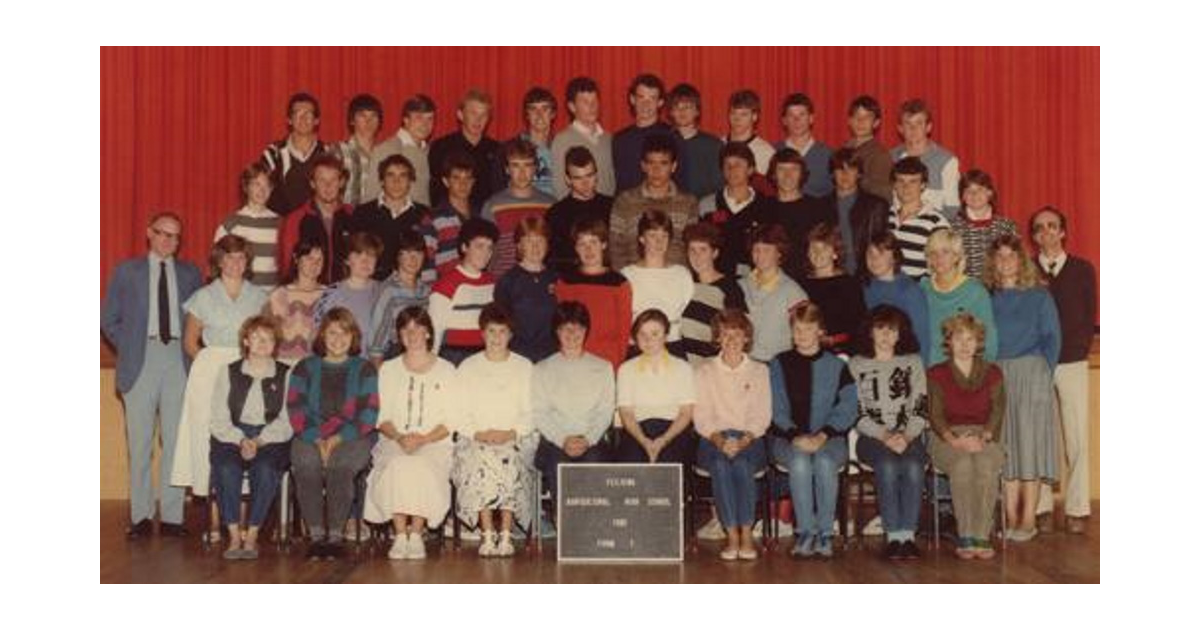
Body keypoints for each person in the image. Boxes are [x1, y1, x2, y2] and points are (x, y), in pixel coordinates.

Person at [101, 212, 203, 539]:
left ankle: (173, 516)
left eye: (175, 236)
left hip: (177, 358)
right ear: (149, 233)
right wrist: (129, 346)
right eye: (162, 234)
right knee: (140, 441)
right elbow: (108, 319)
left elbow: (198, 320)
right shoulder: (127, 271)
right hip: (140, 359)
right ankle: (140, 516)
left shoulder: (190, 274)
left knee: (174, 439)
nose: (168, 241)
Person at [171, 235, 270, 518]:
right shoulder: (202, 297)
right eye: (229, 257)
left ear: (248, 261)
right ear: (219, 261)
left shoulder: (259, 297)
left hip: (248, 369)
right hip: (210, 370)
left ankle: (239, 517)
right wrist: (210, 366)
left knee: (243, 434)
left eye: (241, 257)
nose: (235, 263)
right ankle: (215, 519)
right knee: (208, 436)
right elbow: (190, 342)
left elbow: (267, 336)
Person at [364, 307, 458, 560]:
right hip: (395, 439)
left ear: (428, 332)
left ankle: (416, 533)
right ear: (399, 335)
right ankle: (399, 533)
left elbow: (451, 419)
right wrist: (400, 438)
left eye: (418, 328)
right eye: (406, 329)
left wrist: (423, 439)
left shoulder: (447, 369)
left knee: (420, 464)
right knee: (398, 463)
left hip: (434, 441)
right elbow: (380, 417)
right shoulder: (388, 369)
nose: (412, 334)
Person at [984, 235, 1061, 542]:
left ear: (1021, 260)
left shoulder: (1039, 296)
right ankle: (1010, 515)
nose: (1005, 262)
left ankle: (1027, 517)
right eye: (999, 257)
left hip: (1031, 373)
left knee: (1028, 446)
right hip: (998, 374)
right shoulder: (987, 298)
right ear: (993, 263)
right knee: (1007, 446)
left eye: (1011, 256)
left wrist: (1044, 373)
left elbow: (1053, 338)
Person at [287, 307, 379, 560]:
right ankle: (317, 537)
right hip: (309, 434)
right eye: (332, 333)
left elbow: (369, 415)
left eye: (344, 333)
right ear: (322, 336)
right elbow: (296, 410)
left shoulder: (365, 369)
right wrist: (317, 439)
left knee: (341, 467)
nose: (338, 339)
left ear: (353, 337)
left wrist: (337, 439)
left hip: (353, 436)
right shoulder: (304, 368)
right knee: (306, 464)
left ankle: (336, 536)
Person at [768, 302, 858, 559]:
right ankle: (805, 531)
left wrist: (823, 434)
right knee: (799, 463)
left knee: (826, 461)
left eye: (808, 328)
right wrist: (795, 435)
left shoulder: (838, 366)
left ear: (820, 330)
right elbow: (776, 407)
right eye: (797, 328)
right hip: (788, 438)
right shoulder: (779, 363)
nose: (802, 334)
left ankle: (826, 533)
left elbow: (848, 406)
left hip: (829, 438)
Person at [1029, 205, 1096, 535]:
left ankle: (1077, 507)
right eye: (1039, 228)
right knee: (1042, 435)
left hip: (1071, 360)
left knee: (1076, 435)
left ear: (1063, 232)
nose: (1046, 232)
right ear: (1033, 236)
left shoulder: (1082, 268)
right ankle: (1041, 505)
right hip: (1038, 362)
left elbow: (1087, 314)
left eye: (1052, 226)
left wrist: (1079, 348)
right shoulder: (1027, 271)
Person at [452, 304, 538, 557]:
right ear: (482, 333)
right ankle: (487, 533)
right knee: (480, 458)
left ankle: (506, 534)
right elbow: (458, 410)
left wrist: (511, 433)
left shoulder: (524, 367)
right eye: (492, 331)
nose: (497, 337)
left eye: (503, 331)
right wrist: (478, 433)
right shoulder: (467, 367)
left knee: (508, 458)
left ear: (511, 335)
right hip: (476, 437)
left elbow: (532, 410)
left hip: (515, 436)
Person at [848, 305, 928, 560]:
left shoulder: (913, 362)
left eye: (891, 330)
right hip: (871, 438)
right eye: (880, 328)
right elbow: (856, 411)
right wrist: (884, 436)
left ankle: (908, 536)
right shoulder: (856, 364)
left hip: (909, 435)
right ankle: (893, 536)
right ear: (870, 332)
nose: (885, 335)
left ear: (900, 334)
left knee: (914, 466)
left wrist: (906, 435)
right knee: (888, 465)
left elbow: (920, 405)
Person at [209, 315, 292, 560]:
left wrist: (259, 441)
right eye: (256, 337)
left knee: (266, 468)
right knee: (225, 468)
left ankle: (253, 535)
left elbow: (287, 420)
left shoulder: (286, 374)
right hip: (232, 434)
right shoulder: (228, 372)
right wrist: (240, 439)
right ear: (246, 341)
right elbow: (218, 417)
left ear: (275, 344)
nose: (262, 342)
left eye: (268, 338)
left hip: (270, 436)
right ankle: (234, 536)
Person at [693, 309, 771, 561]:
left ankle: (746, 531)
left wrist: (744, 439)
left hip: (750, 437)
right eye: (725, 334)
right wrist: (719, 440)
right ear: (717, 339)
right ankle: (731, 535)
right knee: (719, 464)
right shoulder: (703, 371)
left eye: (737, 334)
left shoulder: (760, 371)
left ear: (746, 338)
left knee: (743, 463)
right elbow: (701, 416)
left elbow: (762, 415)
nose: (732, 340)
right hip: (712, 438)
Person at [927, 313, 1006, 560]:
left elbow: (998, 410)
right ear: (948, 342)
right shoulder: (936, 374)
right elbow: (935, 414)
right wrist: (955, 440)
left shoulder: (993, 372)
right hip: (946, 437)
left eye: (970, 339)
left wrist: (985, 436)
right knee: (961, 464)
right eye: (958, 338)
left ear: (979, 342)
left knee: (985, 463)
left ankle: (981, 535)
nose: (964, 344)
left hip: (985, 434)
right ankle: (965, 535)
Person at [532, 301, 616, 501]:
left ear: (586, 330)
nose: (571, 334)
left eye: (577, 328)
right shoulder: (542, 369)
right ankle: (564, 523)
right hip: (555, 442)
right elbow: (540, 413)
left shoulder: (603, 367)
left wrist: (588, 439)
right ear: (556, 332)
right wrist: (563, 440)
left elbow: (605, 412)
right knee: (559, 465)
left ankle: (591, 523)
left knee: (594, 462)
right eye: (564, 329)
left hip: (592, 440)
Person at [615, 310, 697, 465]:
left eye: (655, 334)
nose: (648, 340)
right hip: (637, 432)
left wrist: (663, 440)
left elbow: (686, 413)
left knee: (668, 468)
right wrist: (645, 441)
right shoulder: (626, 369)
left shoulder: (683, 368)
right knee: (633, 468)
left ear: (666, 336)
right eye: (642, 334)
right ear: (635, 338)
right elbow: (626, 413)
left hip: (672, 432)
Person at [553, 217, 633, 370]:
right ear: (575, 248)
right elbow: (561, 327)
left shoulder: (619, 283)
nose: (588, 250)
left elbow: (624, 331)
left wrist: (617, 364)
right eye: (582, 244)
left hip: (608, 360)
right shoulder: (565, 283)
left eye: (593, 242)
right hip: (573, 358)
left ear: (604, 244)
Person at [609, 134, 699, 269]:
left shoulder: (689, 203)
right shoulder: (624, 201)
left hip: (674, 280)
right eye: (651, 163)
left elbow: (692, 250)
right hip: (635, 280)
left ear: (673, 166)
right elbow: (615, 249)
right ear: (643, 166)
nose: (656, 170)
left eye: (663, 163)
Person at [621, 210, 694, 358]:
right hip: (638, 348)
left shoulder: (682, 274)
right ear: (642, 238)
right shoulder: (626, 275)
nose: (659, 242)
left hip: (672, 346)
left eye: (664, 236)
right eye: (653, 235)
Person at [353, 153, 437, 284]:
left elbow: (429, 259)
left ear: (410, 181)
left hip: (410, 289)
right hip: (372, 287)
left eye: (403, 176)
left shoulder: (424, 215)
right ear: (381, 180)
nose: (396, 182)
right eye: (390, 175)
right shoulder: (362, 213)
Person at [921, 228, 998, 366]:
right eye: (933, 253)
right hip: (928, 371)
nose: (939, 258)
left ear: (957, 256)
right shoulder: (922, 289)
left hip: (965, 372)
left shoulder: (975, 292)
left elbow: (989, 341)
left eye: (945, 252)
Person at [481, 138, 556, 277]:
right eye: (515, 166)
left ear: (535, 168)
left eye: (527, 165)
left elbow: (553, 251)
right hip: (502, 283)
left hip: (539, 283)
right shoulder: (492, 206)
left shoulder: (550, 205)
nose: (522, 173)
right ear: (507, 169)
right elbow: (487, 253)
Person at [277, 154, 356, 284]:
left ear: (342, 182)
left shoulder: (353, 216)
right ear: (312, 183)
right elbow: (287, 266)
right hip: (309, 295)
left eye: (333, 180)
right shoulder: (295, 219)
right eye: (321, 180)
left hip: (345, 295)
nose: (328, 186)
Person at [429, 218, 498, 365]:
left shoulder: (493, 283)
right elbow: (435, 329)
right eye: (479, 246)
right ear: (464, 247)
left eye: (490, 248)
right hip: (454, 356)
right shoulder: (445, 284)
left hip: (485, 354)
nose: (485, 253)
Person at [700, 142, 774, 276]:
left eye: (738, 165)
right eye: (727, 165)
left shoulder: (767, 206)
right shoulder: (707, 204)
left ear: (751, 169)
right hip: (716, 276)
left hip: (754, 279)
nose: (732, 169)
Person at [763, 148, 835, 282]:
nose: (788, 175)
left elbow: (828, 250)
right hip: (771, 280)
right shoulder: (762, 208)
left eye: (794, 169)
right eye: (781, 169)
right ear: (773, 174)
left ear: (802, 174)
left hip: (809, 280)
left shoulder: (819, 208)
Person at [679, 222, 747, 365]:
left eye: (703, 250)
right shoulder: (684, 284)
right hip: (683, 369)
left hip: (712, 369)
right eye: (692, 250)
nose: (697, 256)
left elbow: (736, 334)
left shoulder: (729, 288)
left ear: (715, 253)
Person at [739, 224, 808, 362]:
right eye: (756, 250)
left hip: (776, 364)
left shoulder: (793, 292)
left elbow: (804, 334)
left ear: (779, 253)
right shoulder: (740, 285)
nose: (760, 256)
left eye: (766, 250)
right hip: (744, 363)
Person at [494, 215, 559, 362]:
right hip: (517, 357)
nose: (535, 247)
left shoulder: (557, 279)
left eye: (540, 240)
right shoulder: (507, 281)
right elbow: (501, 326)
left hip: (552, 357)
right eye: (529, 241)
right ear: (519, 245)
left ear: (547, 245)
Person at [428, 89, 504, 209]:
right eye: (473, 113)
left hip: (487, 217)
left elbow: (500, 190)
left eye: (483, 115)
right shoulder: (441, 147)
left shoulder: (497, 150)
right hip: (450, 218)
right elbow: (436, 190)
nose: (478, 120)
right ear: (460, 115)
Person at [312, 232, 386, 354]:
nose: (365, 261)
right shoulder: (330, 295)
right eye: (358, 255)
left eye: (371, 256)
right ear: (347, 260)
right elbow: (317, 336)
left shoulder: (385, 292)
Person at [863, 232, 932, 363]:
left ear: (894, 258)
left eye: (881, 254)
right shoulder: (866, 287)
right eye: (870, 254)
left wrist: (920, 374)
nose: (874, 260)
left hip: (903, 361)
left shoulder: (910, 291)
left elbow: (922, 339)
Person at [261, 92, 333, 216]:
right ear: (289, 119)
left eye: (308, 114)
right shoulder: (273, 153)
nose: (303, 118)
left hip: (317, 224)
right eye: (297, 113)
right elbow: (261, 192)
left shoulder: (328, 153)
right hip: (280, 225)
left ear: (317, 120)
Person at [799, 223, 866, 356]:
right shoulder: (801, 283)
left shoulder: (849, 284)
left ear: (835, 253)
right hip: (806, 348)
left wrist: (830, 340)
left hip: (840, 351)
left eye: (824, 248)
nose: (818, 253)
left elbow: (858, 326)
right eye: (813, 248)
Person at [367, 230, 433, 363]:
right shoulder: (388, 291)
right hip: (396, 355)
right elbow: (376, 343)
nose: (413, 259)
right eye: (407, 253)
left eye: (418, 253)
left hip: (422, 353)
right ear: (398, 256)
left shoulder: (426, 291)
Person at [214, 162, 283, 288]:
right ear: (246, 187)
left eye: (266, 185)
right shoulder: (231, 223)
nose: (262, 190)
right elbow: (217, 263)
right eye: (256, 184)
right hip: (240, 296)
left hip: (271, 296)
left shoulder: (280, 223)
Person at [545, 146, 614, 273]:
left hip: (607, 279)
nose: (585, 183)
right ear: (567, 179)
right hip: (571, 282)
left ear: (596, 175)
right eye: (578, 178)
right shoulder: (556, 214)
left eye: (589, 175)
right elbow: (551, 260)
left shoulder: (612, 207)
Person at [890, 99, 961, 220]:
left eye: (919, 123)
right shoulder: (891, 158)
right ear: (900, 129)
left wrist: (925, 225)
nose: (913, 129)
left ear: (928, 127)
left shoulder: (947, 161)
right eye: (908, 124)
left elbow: (952, 208)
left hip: (932, 230)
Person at [551, 76, 616, 198]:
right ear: (572, 107)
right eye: (585, 102)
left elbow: (612, 182)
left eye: (594, 101)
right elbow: (559, 186)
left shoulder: (609, 139)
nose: (592, 107)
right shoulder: (562, 141)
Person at [829, 148, 890, 278]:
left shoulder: (876, 206)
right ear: (833, 173)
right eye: (840, 169)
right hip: (832, 275)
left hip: (866, 276)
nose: (845, 174)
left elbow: (881, 249)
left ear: (859, 173)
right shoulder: (820, 206)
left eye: (851, 169)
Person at [613, 73, 678, 192]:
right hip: (627, 207)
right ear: (632, 99)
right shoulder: (619, 139)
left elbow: (680, 180)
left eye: (652, 98)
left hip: (663, 207)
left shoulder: (672, 135)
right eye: (641, 97)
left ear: (660, 102)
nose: (646, 104)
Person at [888, 156, 951, 278]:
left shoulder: (937, 223)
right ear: (894, 184)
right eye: (900, 181)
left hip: (920, 292)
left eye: (913, 181)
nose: (906, 187)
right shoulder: (884, 216)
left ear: (923, 185)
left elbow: (944, 267)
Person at [267, 240, 327, 365]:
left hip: (318, 364)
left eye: (319, 260)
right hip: (285, 363)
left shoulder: (329, 295)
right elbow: (269, 335)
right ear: (296, 259)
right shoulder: (280, 294)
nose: (314, 264)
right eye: (309, 258)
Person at [950, 169, 1017, 279]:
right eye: (968, 190)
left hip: (1000, 288)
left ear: (989, 192)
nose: (974, 194)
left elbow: (1017, 261)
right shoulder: (953, 228)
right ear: (962, 196)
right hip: (967, 290)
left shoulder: (1007, 226)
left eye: (980, 189)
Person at [370, 94, 436, 205]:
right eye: (419, 118)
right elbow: (372, 197)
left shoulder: (430, 151)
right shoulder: (387, 149)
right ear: (406, 120)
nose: (425, 124)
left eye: (430, 118)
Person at [667, 83, 723, 199]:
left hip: (703, 208)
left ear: (697, 111)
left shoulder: (713, 145)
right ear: (671, 112)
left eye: (687, 107)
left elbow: (719, 185)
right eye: (677, 106)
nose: (682, 111)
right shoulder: (663, 143)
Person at [430, 152, 478, 276]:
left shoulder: (480, 217)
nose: (463, 184)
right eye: (456, 178)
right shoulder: (433, 218)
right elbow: (427, 263)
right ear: (446, 181)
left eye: (467, 178)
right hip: (444, 289)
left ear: (473, 182)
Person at [777, 92, 833, 198]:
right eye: (791, 115)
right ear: (784, 121)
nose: (797, 120)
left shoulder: (828, 155)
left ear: (811, 118)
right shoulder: (773, 152)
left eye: (802, 115)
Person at [335, 93, 383, 207]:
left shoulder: (385, 153)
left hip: (378, 220)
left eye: (373, 116)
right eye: (362, 116)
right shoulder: (338, 151)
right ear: (352, 121)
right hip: (347, 219)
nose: (368, 121)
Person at [843, 95, 894, 202]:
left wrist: (857, 179)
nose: (861, 121)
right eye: (857, 116)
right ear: (850, 121)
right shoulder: (842, 150)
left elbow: (885, 194)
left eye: (867, 117)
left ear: (876, 123)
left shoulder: (880, 155)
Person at [515, 87, 557, 196]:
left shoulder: (561, 147)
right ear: (527, 115)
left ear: (553, 114)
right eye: (533, 109)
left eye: (545, 109)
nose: (539, 115)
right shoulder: (512, 148)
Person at [724, 89, 775, 179]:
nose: (737, 119)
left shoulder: (765, 152)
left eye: (743, 114)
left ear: (754, 116)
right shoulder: (718, 145)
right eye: (733, 113)